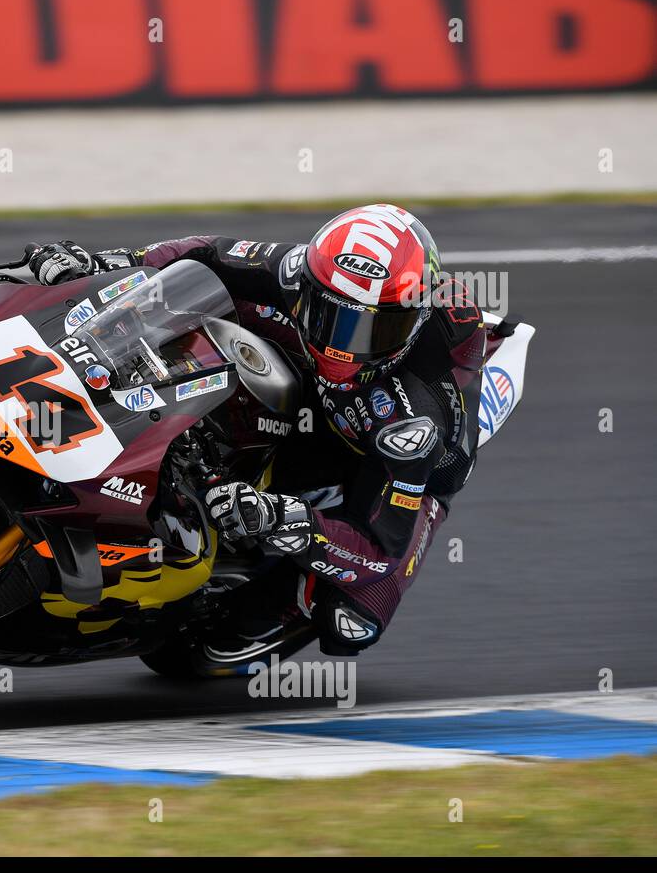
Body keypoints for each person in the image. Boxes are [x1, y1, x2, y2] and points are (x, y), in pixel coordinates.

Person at [25, 204, 486, 655]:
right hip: (310, 375)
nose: (343, 347)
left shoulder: (412, 424)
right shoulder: (300, 271)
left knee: (351, 620)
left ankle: (278, 592)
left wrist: (288, 522)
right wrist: (108, 263)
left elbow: (380, 550)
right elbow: (206, 253)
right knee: (203, 298)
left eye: (370, 332)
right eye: (333, 319)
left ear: (414, 320)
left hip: (387, 457)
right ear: (309, 286)